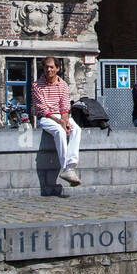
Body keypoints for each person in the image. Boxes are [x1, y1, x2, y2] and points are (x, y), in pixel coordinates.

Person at [32, 56, 81, 187]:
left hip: (61, 115)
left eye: (51, 67)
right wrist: (60, 122)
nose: (49, 69)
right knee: (59, 131)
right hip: (47, 117)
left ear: (57, 69)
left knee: (76, 129)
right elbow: (41, 108)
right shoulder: (37, 85)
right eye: (46, 67)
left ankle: (71, 165)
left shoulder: (63, 84)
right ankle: (66, 168)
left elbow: (65, 106)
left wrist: (65, 121)